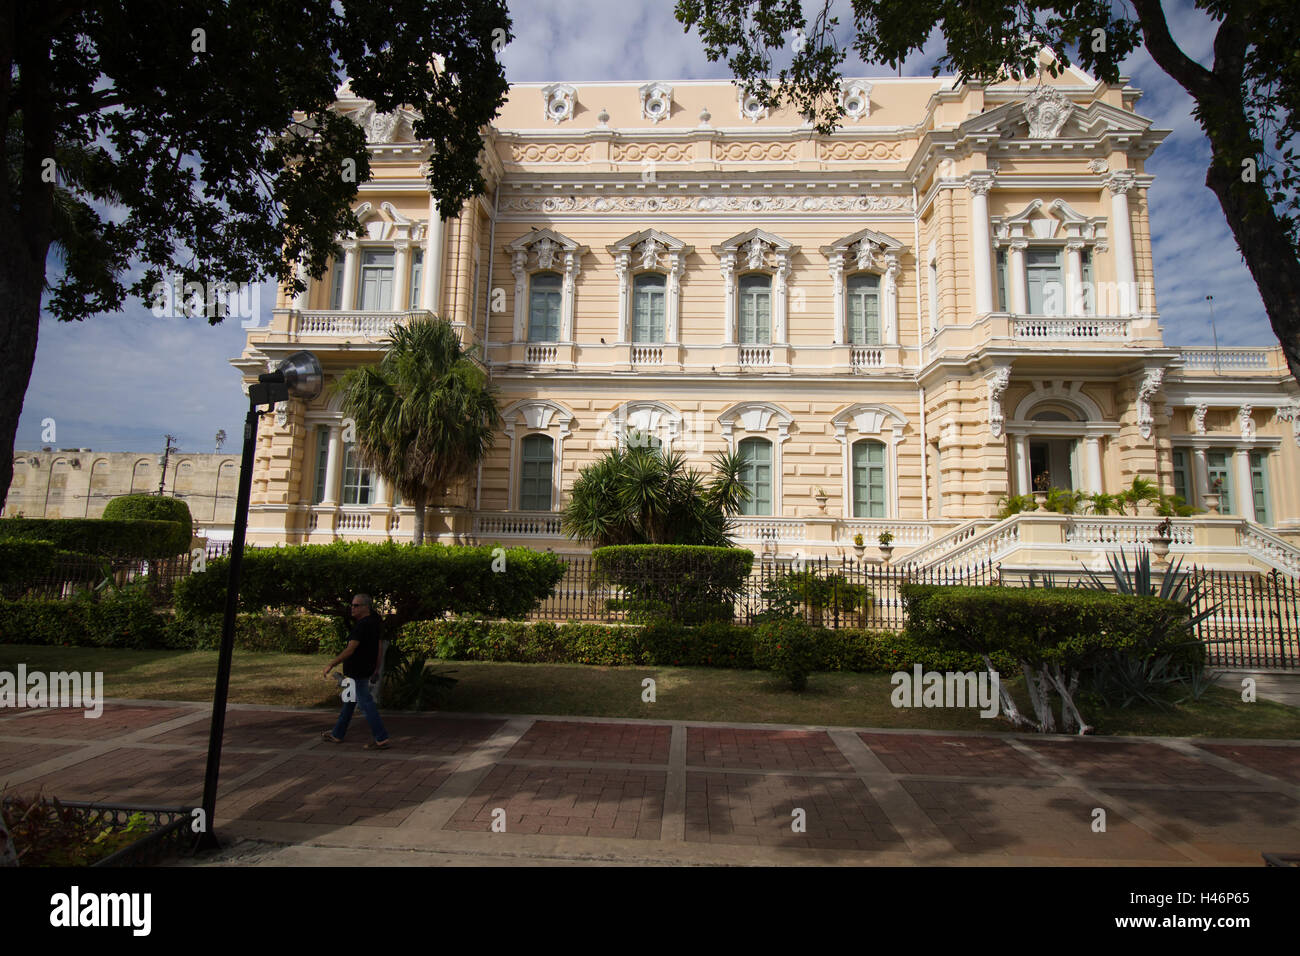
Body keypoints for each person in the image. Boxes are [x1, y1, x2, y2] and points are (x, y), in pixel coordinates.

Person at [321, 593, 391, 749]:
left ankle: (381, 737)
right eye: (352, 605)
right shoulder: (375, 622)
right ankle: (337, 734)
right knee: (350, 701)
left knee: (366, 703)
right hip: (365, 669)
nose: (352, 608)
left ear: (366, 607)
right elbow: (379, 647)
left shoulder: (362, 626)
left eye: (356, 606)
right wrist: (376, 667)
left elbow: (350, 650)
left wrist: (331, 664)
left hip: (358, 671)